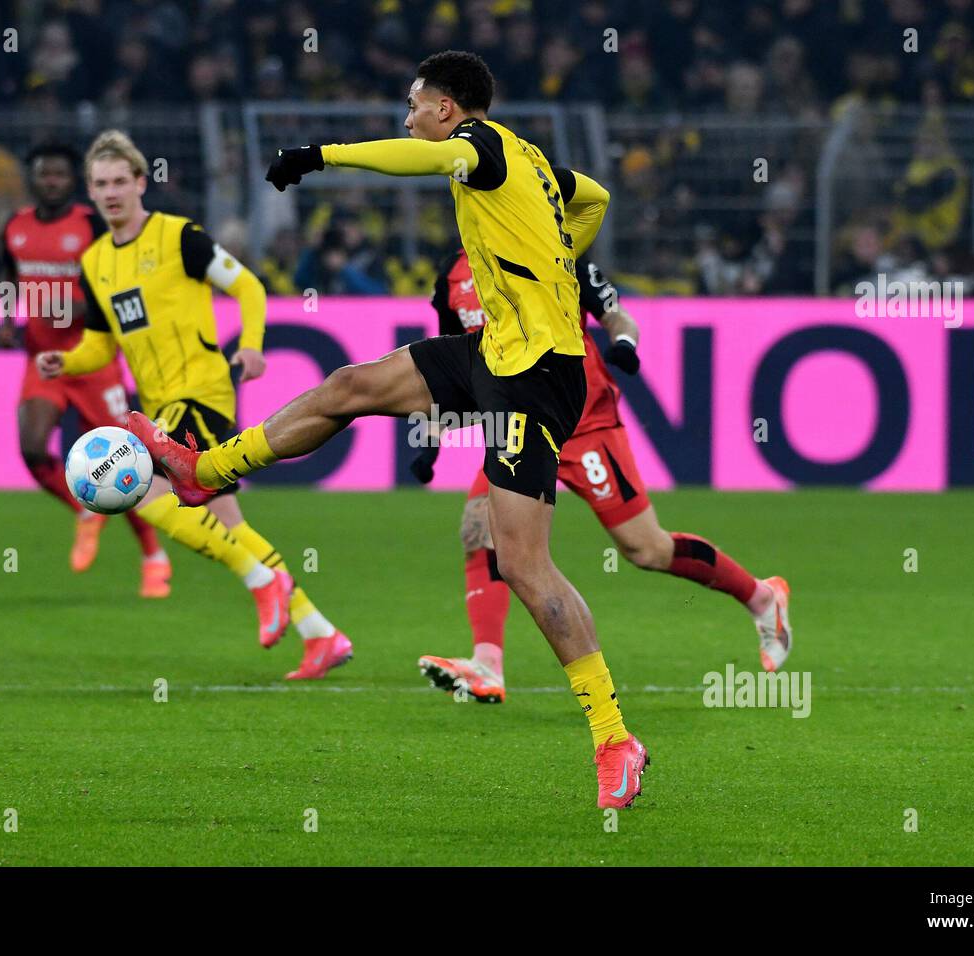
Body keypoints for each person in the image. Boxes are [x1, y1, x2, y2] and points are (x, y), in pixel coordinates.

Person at [127, 51, 648, 808]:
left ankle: (614, 737)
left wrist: (319, 155)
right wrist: (558, 257)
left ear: (447, 110)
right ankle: (203, 470)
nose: (408, 117)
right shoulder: (534, 163)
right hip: (497, 348)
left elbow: (414, 159)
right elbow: (593, 196)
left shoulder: (482, 145)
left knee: (524, 565)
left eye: (414, 105)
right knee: (349, 387)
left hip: (534, 375)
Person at [412, 249, 793, 703]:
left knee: (646, 548)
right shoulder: (451, 279)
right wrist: (431, 435)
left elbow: (616, 317)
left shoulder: (552, 247)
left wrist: (625, 345)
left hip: (583, 421)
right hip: (517, 425)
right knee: (482, 534)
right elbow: (453, 365)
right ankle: (486, 665)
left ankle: (762, 597)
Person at [36, 131, 350, 678]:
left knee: (138, 490)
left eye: (119, 181)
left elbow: (249, 286)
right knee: (227, 522)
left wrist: (251, 344)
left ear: (140, 183)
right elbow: (101, 343)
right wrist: (66, 362)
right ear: (90, 192)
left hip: (199, 393)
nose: (111, 192)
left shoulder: (179, 237)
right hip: (158, 403)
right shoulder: (94, 263)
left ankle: (262, 580)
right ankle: (320, 634)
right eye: (100, 184)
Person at [0, 141, 167, 595]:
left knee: (125, 468)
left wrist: (78, 306)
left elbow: (120, 279)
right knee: (32, 449)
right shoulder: (15, 227)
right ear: (33, 177)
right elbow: (10, 279)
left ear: (74, 181)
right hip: (45, 360)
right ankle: (85, 510)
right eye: (43, 173)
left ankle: (153, 555)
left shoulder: (92, 226)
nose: (50, 180)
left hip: (94, 360)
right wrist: (9, 322)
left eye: (59, 174)